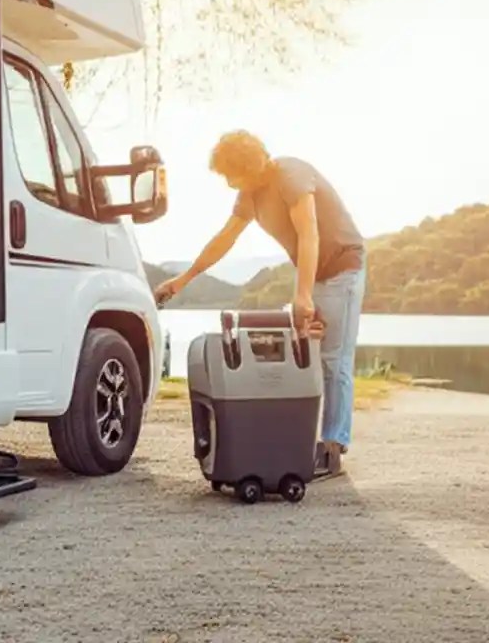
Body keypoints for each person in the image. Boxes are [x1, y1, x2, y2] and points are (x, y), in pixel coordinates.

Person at [153, 130, 366, 475]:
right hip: (314, 272)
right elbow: (225, 238)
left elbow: (308, 233)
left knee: (333, 358)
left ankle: (332, 447)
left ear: (247, 167)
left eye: (229, 173)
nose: (227, 182)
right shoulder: (249, 194)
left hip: (342, 266)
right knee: (307, 355)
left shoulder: (290, 175)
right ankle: (299, 441)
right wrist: (183, 280)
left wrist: (302, 294)